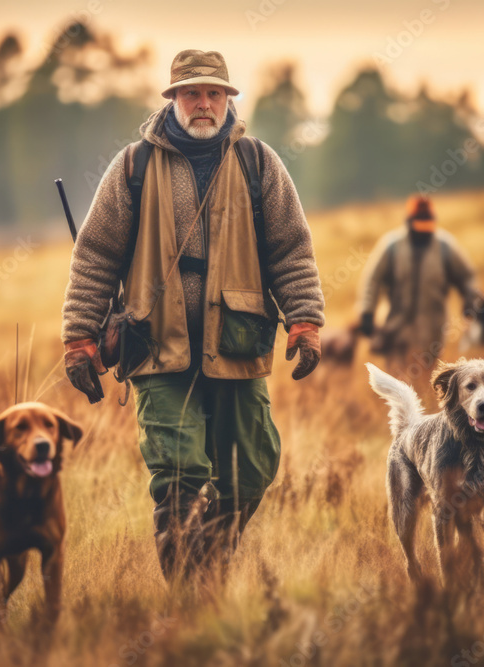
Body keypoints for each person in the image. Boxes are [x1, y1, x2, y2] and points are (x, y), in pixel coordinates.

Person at [61, 50, 325, 582]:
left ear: (227, 99)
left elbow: (291, 248)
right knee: (178, 473)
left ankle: (212, 562)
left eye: (213, 93)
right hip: (156, 346)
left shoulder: (258, 162)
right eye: (191, 93)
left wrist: (304, 319)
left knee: (251, 469)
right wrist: (80, 337)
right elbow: (95, 256)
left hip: (239, 341)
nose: (202, 104)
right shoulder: (133, 166)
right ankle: (189, 593)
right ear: (173, 100)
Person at [357, 196, 482, 377]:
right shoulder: (391, 247)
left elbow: (467, 277)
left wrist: (471, 300)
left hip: (432, 330)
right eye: (419, 226)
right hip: (395, 328)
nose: (424, 232)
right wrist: (366, 312)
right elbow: (372, 280)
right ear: (409, 222)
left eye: (428, 226)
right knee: (396, 380)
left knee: (426, 377)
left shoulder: (446, 247)